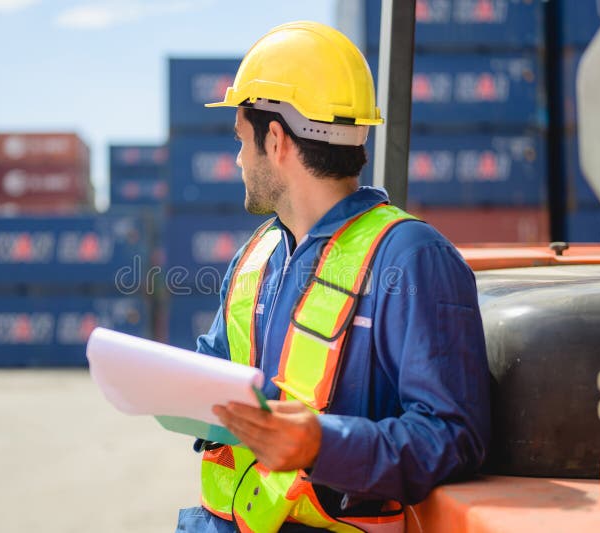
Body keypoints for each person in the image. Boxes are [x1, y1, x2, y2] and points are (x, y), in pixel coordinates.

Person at [175, 21, 490, 533]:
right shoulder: (255, 258)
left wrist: (323, 444)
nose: (237, 159)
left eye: (241, 140)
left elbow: (454, 439)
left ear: (275, 139)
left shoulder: (412, 259)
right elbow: (212, 374)